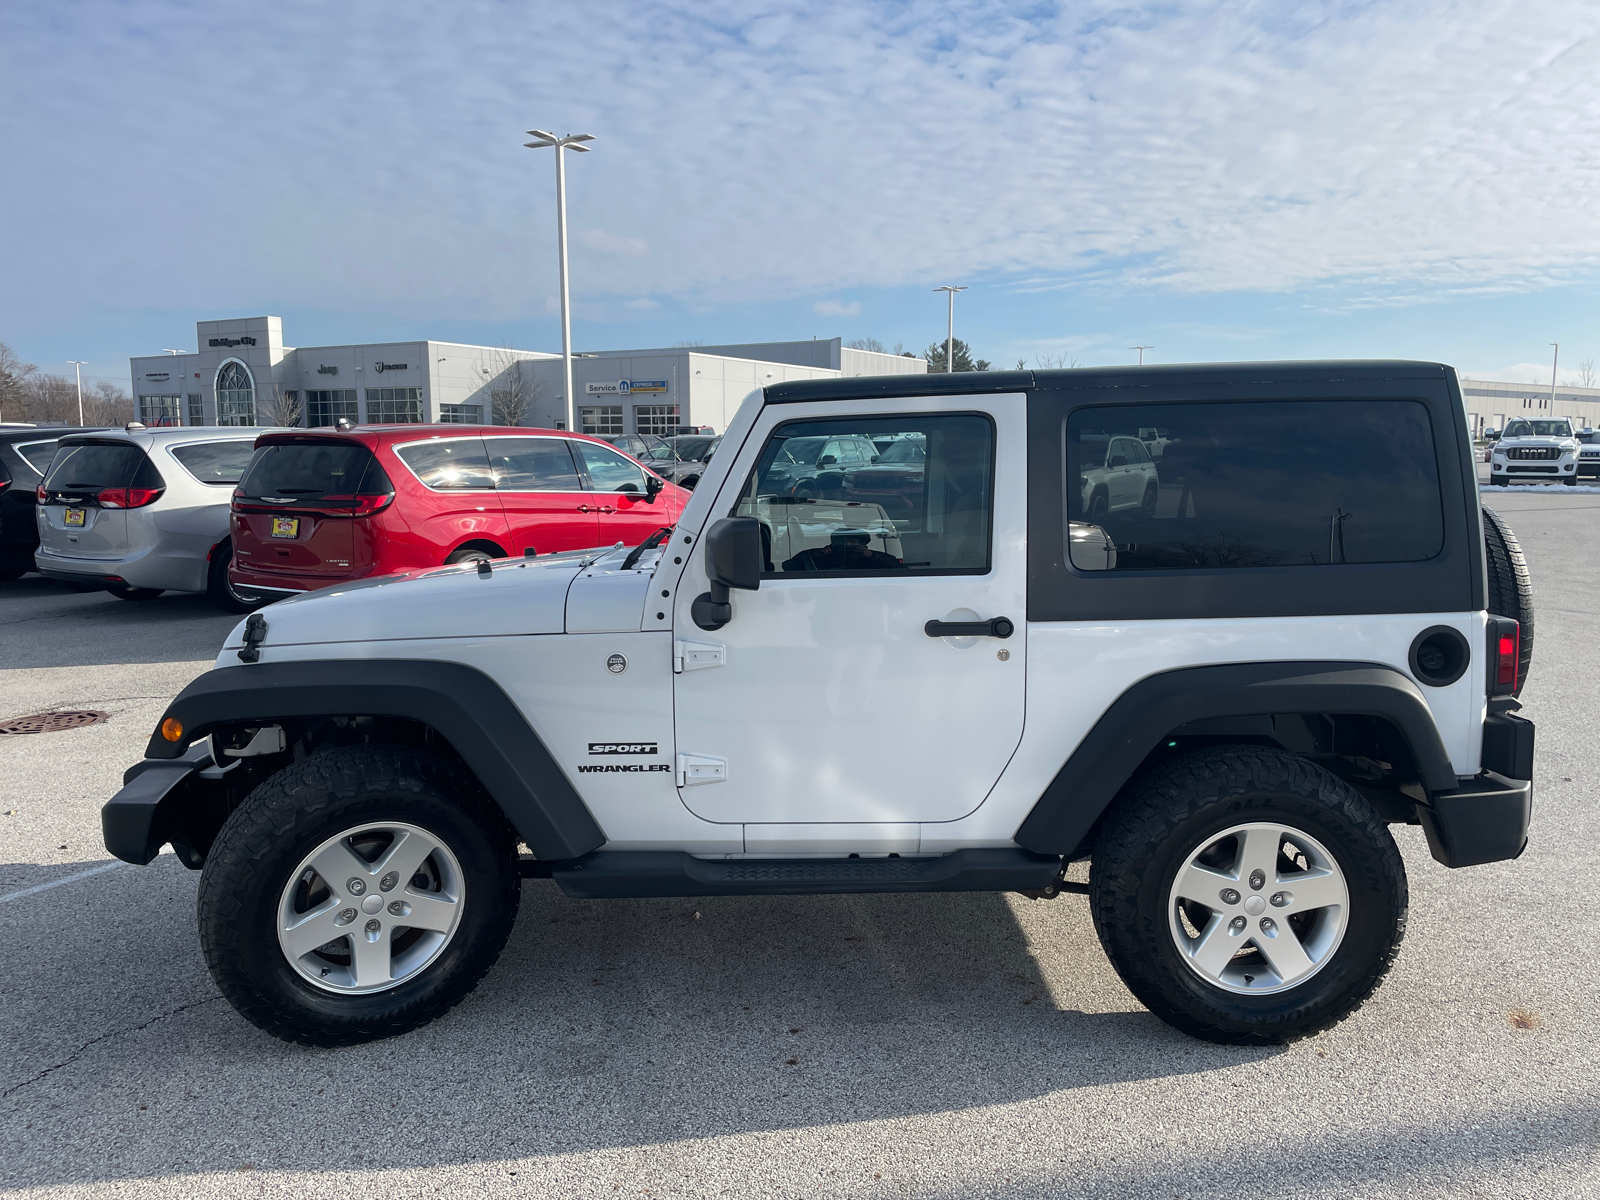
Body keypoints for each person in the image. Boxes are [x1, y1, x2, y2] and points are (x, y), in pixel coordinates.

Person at [782, 528, 903, 572]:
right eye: (843, 542)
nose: (848, 545)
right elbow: (788, 566)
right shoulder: (825, 556)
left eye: (853, 542)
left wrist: (873, 556)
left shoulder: (871, 558)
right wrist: (813, 555)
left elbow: (900, 569)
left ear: (862, 544)